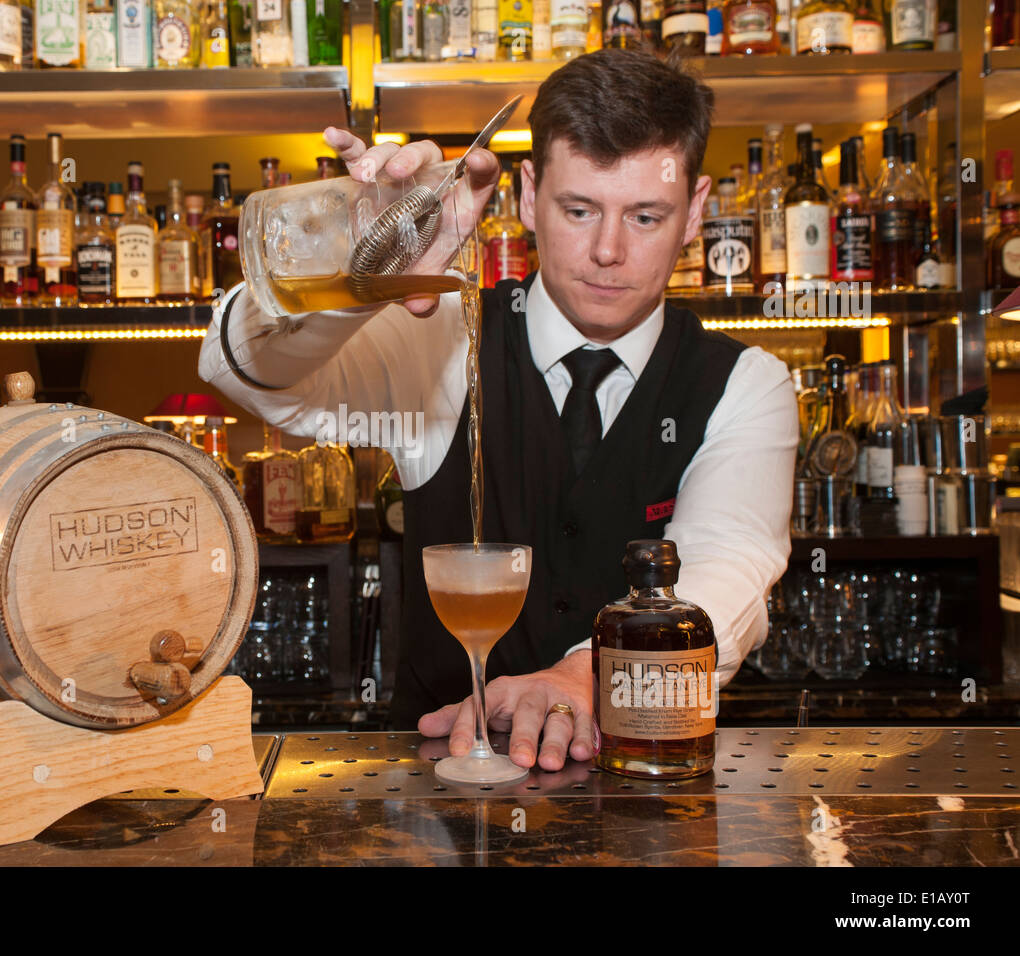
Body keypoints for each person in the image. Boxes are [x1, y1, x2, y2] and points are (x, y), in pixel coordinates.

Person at [199, 48, 797, 773]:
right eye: (579, 210)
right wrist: (360, 261)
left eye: (646, 215)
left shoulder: (744, 384)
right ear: (527, 191)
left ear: (696, 210)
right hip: (439, 795)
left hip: (650, 789)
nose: (608, 251)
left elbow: (725, 564)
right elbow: (249, 374)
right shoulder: (440, 337)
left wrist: (586, 674)